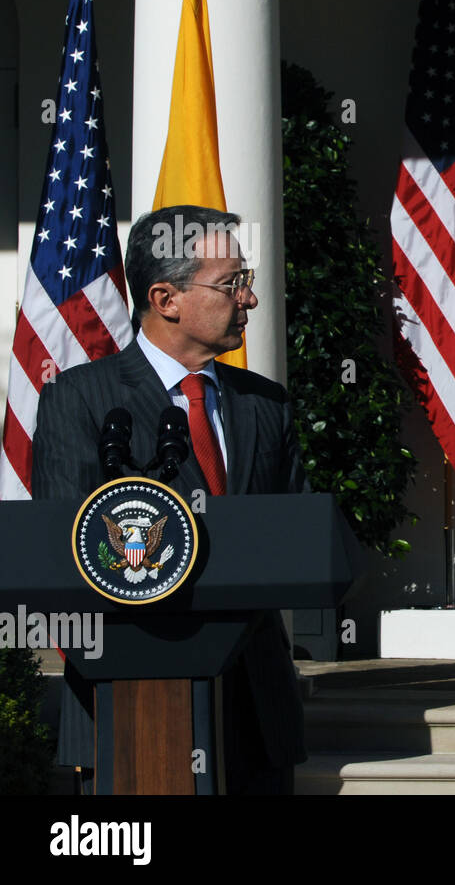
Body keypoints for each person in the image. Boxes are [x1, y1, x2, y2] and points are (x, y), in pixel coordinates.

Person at [33, 204, 308, 794]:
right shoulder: (80, 399)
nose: (250, 299)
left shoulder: (267, 404)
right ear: (165, 299)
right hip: (129, 707)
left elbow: (298, 539)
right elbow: (61, 552)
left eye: (246, 282)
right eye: (233, 283)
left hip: (254, 713)